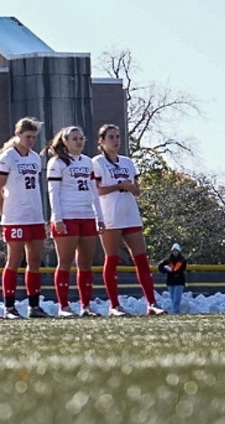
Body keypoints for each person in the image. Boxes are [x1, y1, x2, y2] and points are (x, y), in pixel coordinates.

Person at [94, 124, 163, 316]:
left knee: (141, 259)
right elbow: (97, 190)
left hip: (130, 215)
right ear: (101, 141)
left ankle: (152, 303)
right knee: (112, 259)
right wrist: (118, 186)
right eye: (111, 137)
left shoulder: (127, 162)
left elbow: (138, 190)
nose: (115, 141)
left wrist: (131, 187)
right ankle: (114, 305)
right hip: (111, 216)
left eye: (117, 136)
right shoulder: (98, 162)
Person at [0, 117, 48, 318]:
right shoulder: (7, 157)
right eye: (27, 136)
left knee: (35, 260)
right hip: (15, 217)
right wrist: (5, 214)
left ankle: (34, 306)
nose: (31, 140)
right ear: (18, 134)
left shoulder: (35, 158)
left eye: (33, 137)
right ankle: (9, 307)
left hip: (35, 215)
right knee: (14, 260)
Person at [46, 125, 100, 317]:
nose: (79, 142)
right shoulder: (57, 162)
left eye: (81, 138)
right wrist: (57, 218)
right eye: (74, 139)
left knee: (85, 264)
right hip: (67, 216)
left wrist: (99, 217)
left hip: (87, 216)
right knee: (65, 262)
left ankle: (86, 306)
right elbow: (53, 193)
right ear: (65, 142)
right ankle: (64, 306)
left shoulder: (88, 162)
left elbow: (94, 191)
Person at [162, 245, 188, 314]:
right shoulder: (168, 260)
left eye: (176, 251)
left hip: (179, 282)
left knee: (176, 300)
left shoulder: (182, 260)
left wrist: (172, 271)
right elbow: (161, 267)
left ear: (179, 251)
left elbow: (181, 270)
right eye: (174, 251)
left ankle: (175, 313)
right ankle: (175, 313)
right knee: (173, 300)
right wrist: (166, 269)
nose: (175, 252)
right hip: (170, 282)